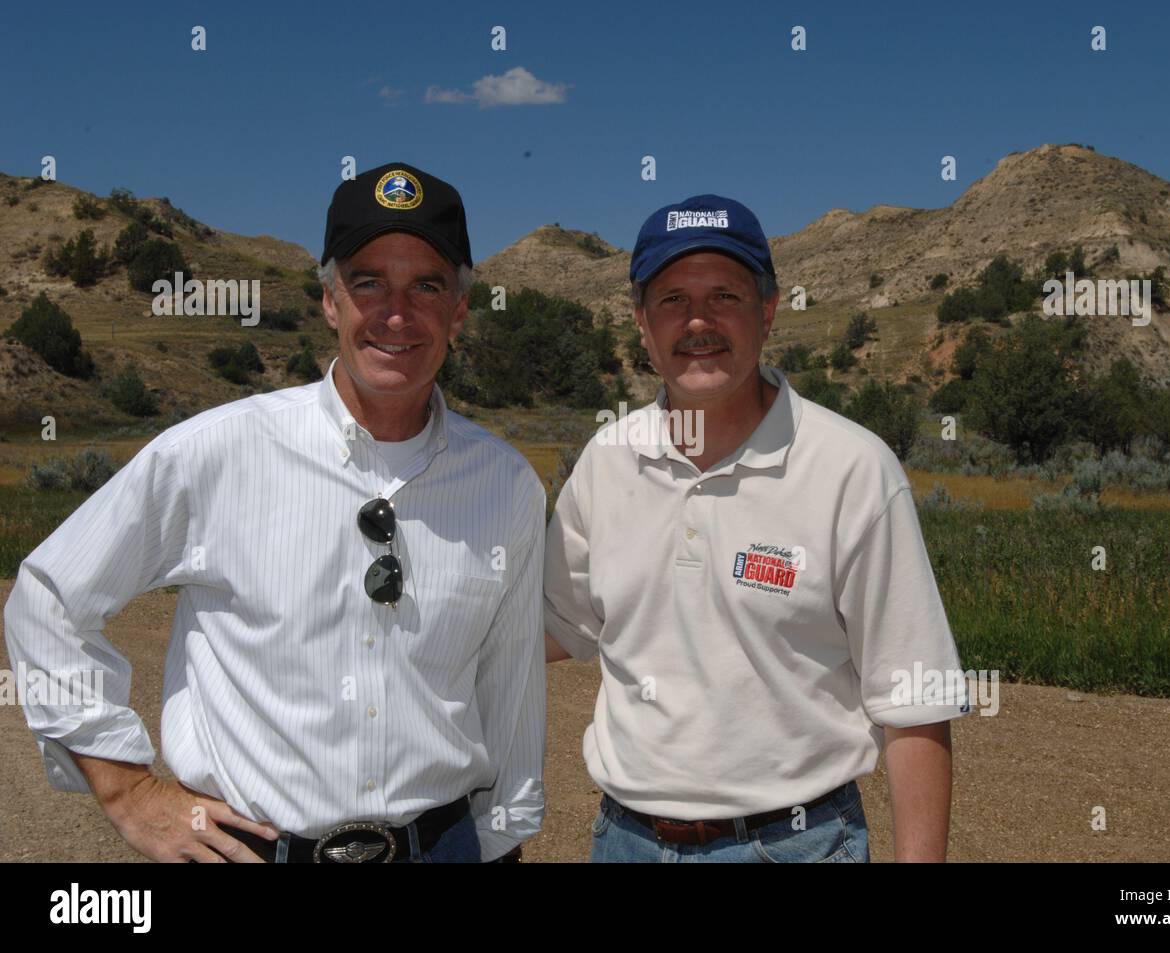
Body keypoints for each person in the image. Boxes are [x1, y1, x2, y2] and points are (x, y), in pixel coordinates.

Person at [3, 163, 545, 863]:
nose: (397, 312)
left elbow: (510, 692)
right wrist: (128, 792)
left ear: (460, 309)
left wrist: (497, 842)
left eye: (427, 285)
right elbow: (46, 598)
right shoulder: (216, 453)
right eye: (369, 281)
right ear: (329, 300)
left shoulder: (505, 483)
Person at [543, 194, 969, 863]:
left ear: (767, 311)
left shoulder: (852, 469)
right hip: (624, 841)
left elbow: (912, 699)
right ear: (642, 324)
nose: (698, 322)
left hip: (794, 845)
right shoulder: (607, 461)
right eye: (673, 300)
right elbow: (553, 628)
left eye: (725, 297)